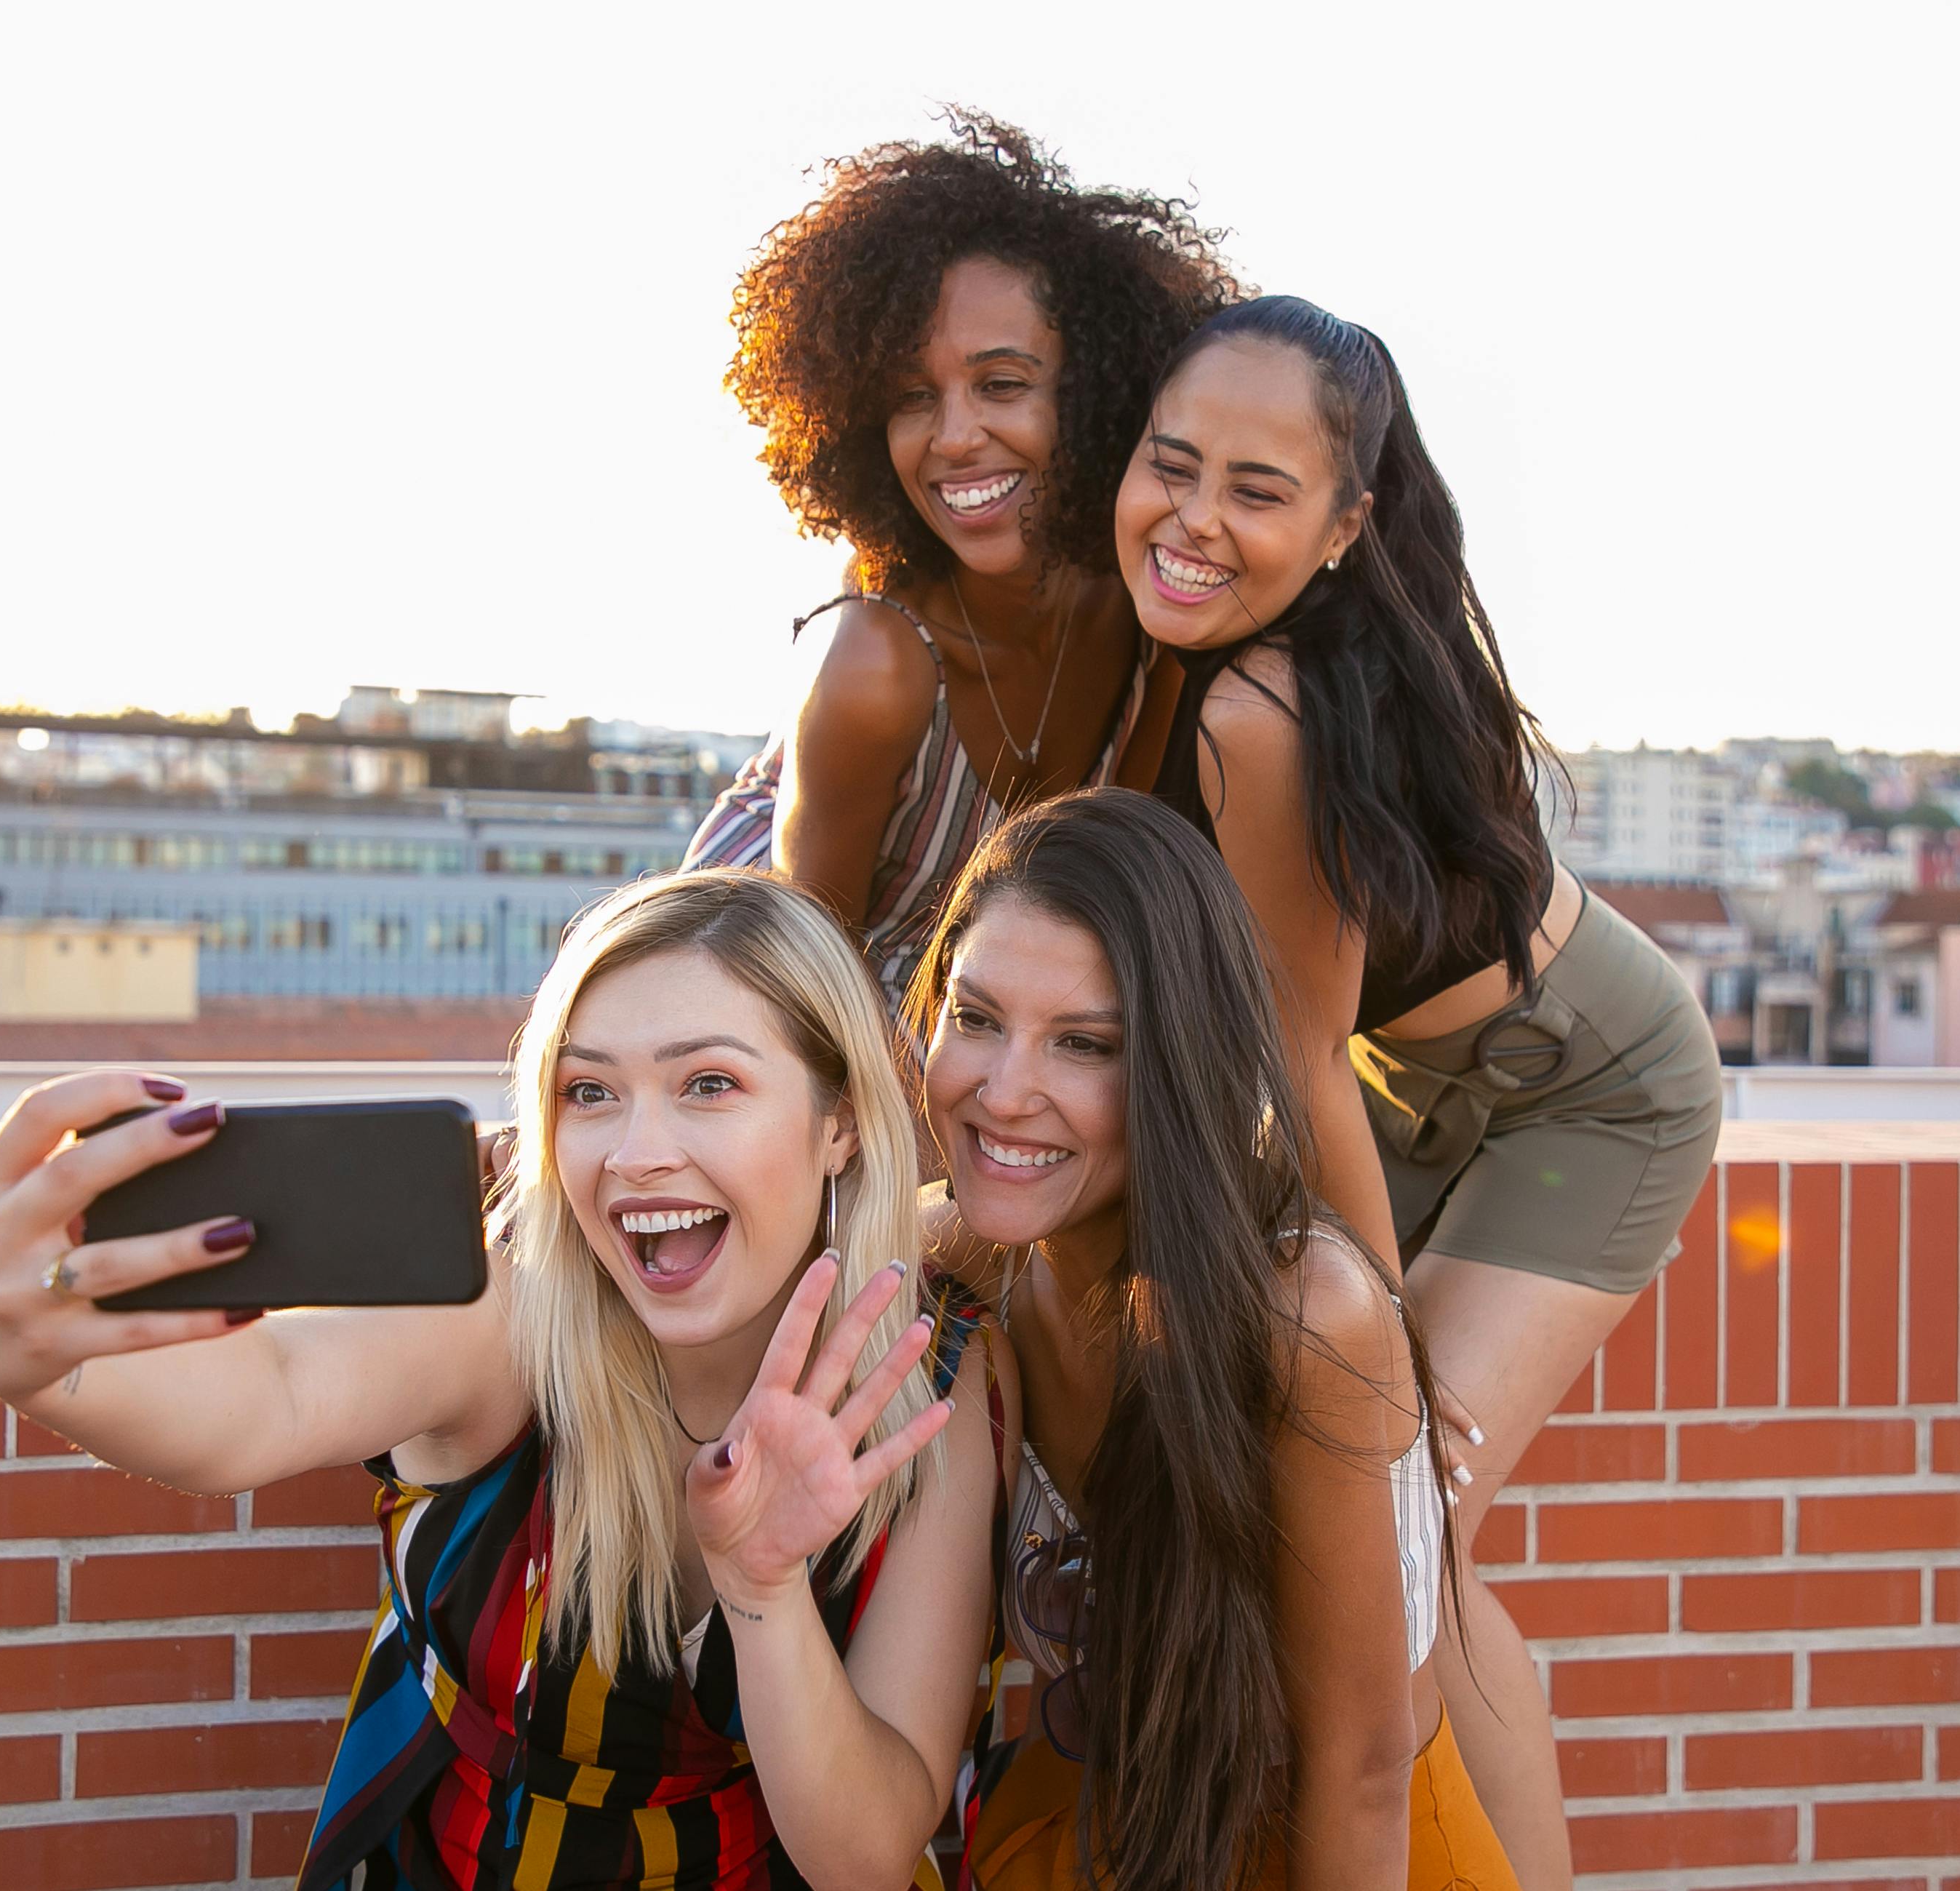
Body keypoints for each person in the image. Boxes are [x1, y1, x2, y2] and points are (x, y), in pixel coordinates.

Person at [0, 869, 1005, 1891]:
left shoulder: (927, 1383)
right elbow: (268, 1397)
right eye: (588, 1091)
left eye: (708, 1085)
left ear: (841, 1123)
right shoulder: (510, 1312)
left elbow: (865, 1858)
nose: (635, 1153)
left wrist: (762, 1586)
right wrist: (49, 1361)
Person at [1119, 296, 1723, 1889]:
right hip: (1412, 1078)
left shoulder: (1260, 710)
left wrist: (1370, 1388)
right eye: (1169, 464)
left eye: (1257, 490)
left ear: (1344, 523)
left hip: (1587, 1093)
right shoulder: (1191, 657)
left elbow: (1300, 1067)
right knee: (1362, 1537)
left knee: (1409, 1549)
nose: (1191, 519)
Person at [908, 788, 1516, 1891]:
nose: (1002, 1094)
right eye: (976, 1017)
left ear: (1180, 1067)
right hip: (1094, 1823)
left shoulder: (1300, 1316)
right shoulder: (962, 1261)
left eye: (1083, 1044)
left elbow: (1362, 1770)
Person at [688, 110, 1237, 1004]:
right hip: (789, 1024)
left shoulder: (1151, 604)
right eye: (912, 396)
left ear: (1098, 386)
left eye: (1003, 385)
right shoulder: (875, 661)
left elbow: (1107, 888)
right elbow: (800, 1002)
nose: (952, 437)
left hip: (985, 1037)